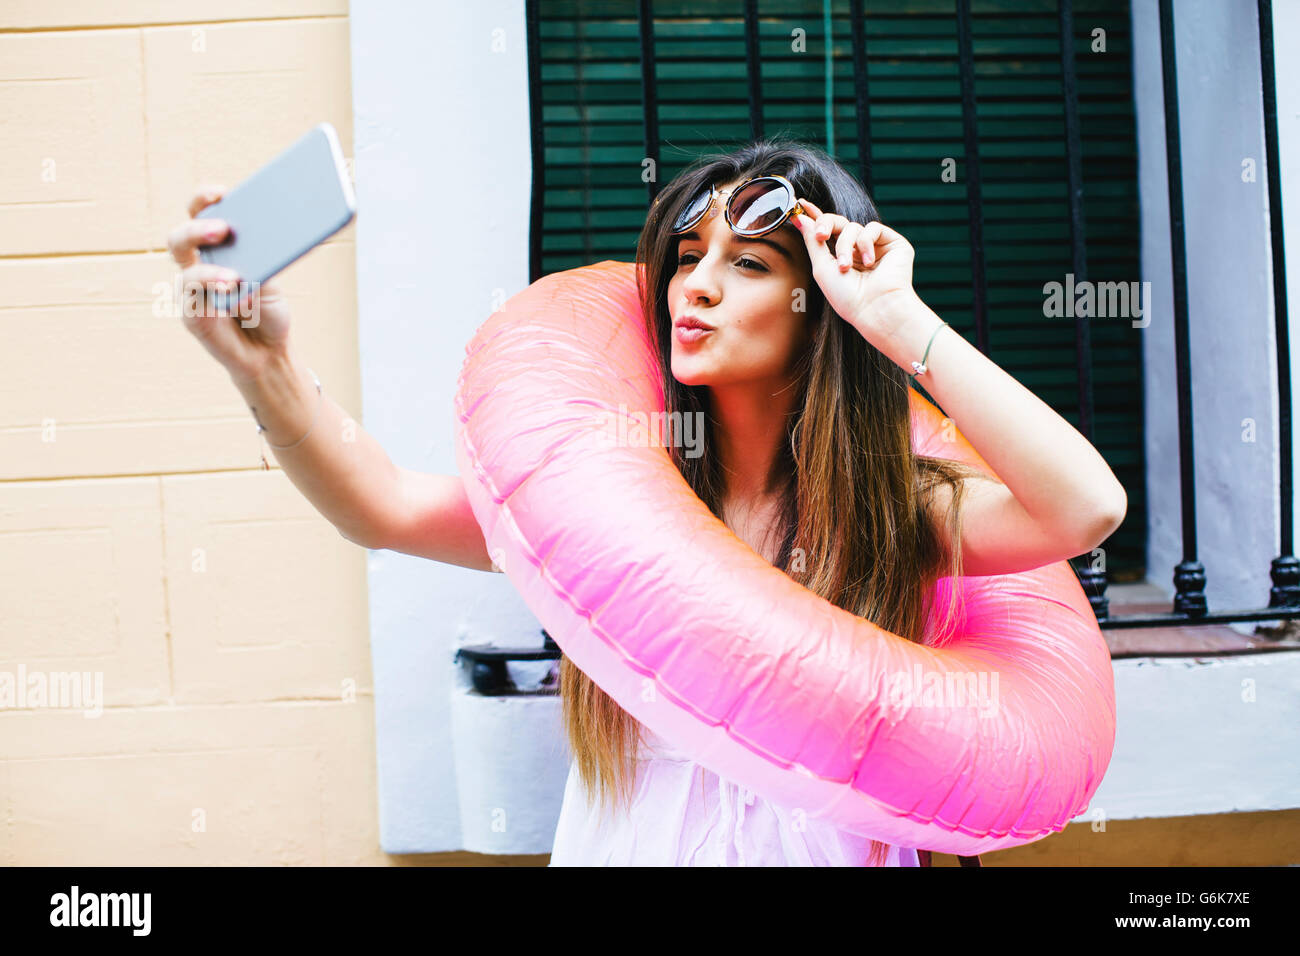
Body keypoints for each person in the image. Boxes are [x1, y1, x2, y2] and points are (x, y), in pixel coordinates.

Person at [167, 136, 1126, 866]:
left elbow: (1083, 508)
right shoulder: (621, 504)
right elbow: (380, 507)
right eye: (688, 255)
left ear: (817, 306)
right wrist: (266, 366)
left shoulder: (890, 510)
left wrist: (896, 319)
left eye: (748, 266)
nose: (695, 289)